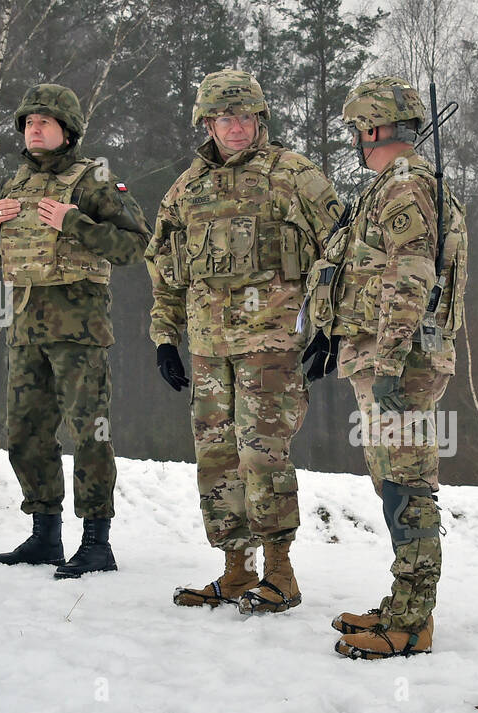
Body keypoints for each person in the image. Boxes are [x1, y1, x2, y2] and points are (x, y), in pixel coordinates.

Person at [146, 70, 341, 614]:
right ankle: (236, 570)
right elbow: (165, 271)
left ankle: (280, 573)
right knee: (216, 458)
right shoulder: (185, 190)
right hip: (209, 348)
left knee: (261, 453)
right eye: (225, 117)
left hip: (271, 346)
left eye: (246, 116)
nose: (237, 127)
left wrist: (329, 329)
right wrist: (165, 339)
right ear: (207, 123)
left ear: (261, 118)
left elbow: (341, 253)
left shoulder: (295, 176)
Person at [307, 76, 467, 659]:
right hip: (385, 357)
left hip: (399, 361)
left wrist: (393, 361)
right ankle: (404, 605)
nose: (356, 139)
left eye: (358, 129)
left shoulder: (403, 187)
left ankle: (411, 622)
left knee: (407, 486)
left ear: (373, 129)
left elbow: (411, 274)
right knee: (393, 481)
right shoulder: (397, 185)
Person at [0, 83, 150, 578]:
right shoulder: (14, 184)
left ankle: (96, 543)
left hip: (79, 331)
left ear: (67, 130)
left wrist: (75, 223)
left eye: (45, 122)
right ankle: (45, 536)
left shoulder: (95, 181)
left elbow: (136, 246)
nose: (34, 129)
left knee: (89, 433)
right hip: (25, 330)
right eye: (29, 122)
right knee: (26, 432)